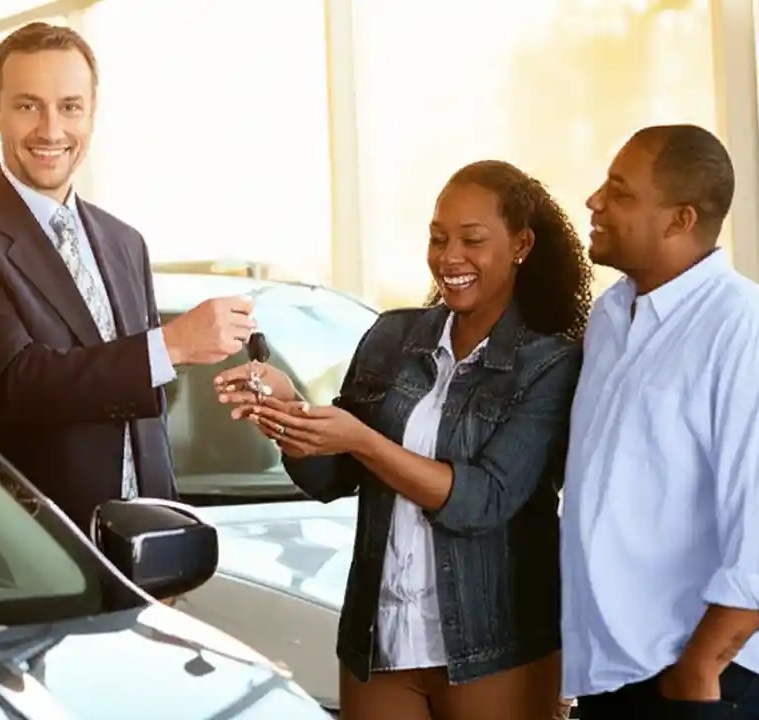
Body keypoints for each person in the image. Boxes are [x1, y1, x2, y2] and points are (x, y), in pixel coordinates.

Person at [217, 160, 592, 719]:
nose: (450, 257)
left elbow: (482, 501)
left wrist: (364, 441)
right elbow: (330, 477)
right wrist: (286, 411)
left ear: (521, 244)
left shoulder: (550, 363)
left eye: (472, 240)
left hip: (495, 647)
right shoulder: (392, 336)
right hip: (383, 640)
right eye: (438, 238)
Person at [0, 22, 254, 531]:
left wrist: (168, 529)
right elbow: (8, 386)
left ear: (92, 112)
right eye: (28, 106)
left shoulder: (124, 242)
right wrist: (170, 346)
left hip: (140, 546)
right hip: (20, 551)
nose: (51, 130)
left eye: (69, 107)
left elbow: (142, 419)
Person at [561, 124, 759, 719]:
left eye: (620, 192)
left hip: (710, 680)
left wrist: (699, 672)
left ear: (680, 220)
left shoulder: (746, 329)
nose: (594, 201)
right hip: (616, 677)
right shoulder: (610, 317)